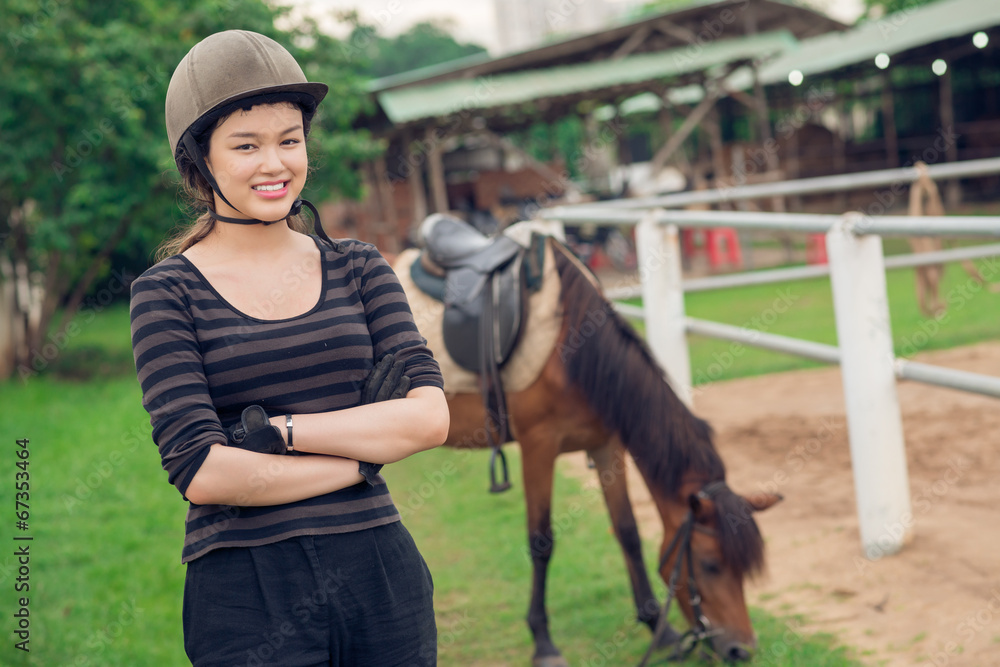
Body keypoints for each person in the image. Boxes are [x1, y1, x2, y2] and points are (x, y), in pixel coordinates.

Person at [129, 30, 449, 666]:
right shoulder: (166, 295)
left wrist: (281, 431)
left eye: (289, 140)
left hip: (383, 576)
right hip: (245, 591)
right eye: (246, 145)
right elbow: (204, 472)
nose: (274, 164)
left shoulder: (359, 267)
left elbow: (429, 417)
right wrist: (358, 460)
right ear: (200, 161)